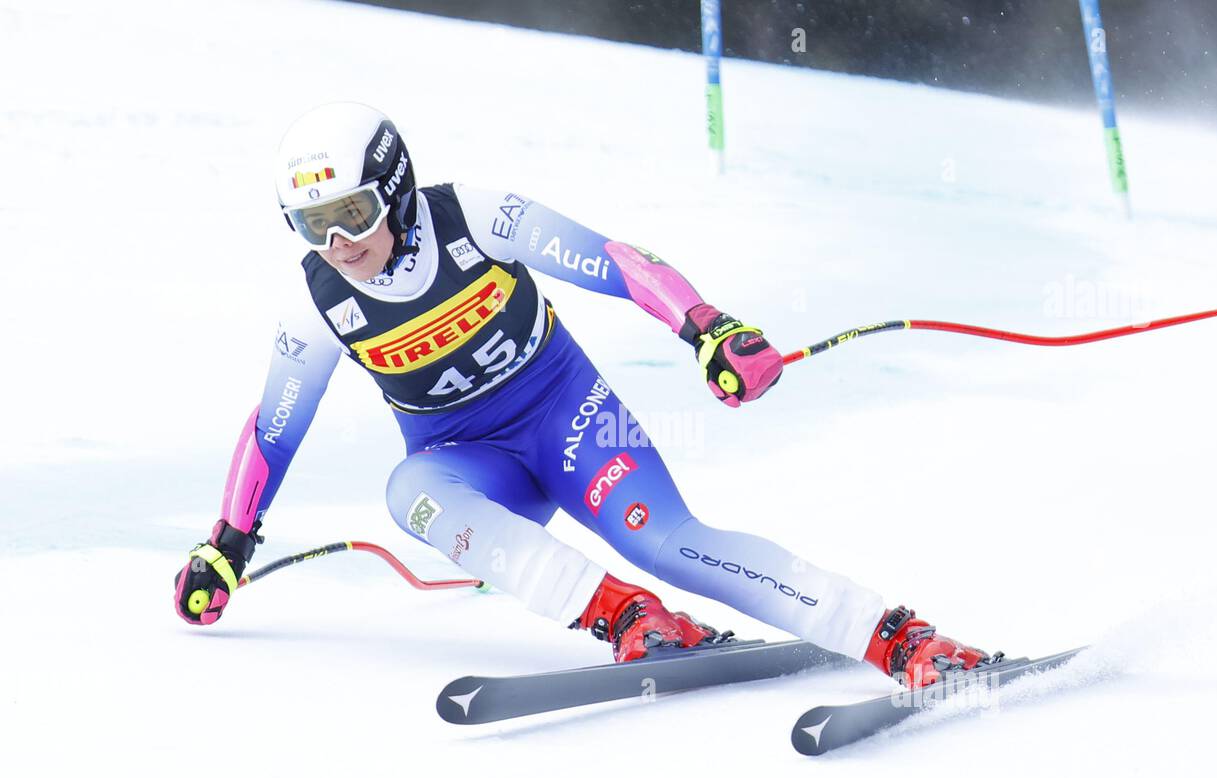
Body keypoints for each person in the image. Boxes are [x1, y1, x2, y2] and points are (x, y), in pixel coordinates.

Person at [173, 102, 989, 688]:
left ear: (394, 187)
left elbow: (615, 260)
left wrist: (705, 326)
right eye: (312, 224)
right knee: (407, 493)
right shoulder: (317, 304)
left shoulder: (475, 218)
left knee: (666, 542)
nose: (338, 243)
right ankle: (626, 615)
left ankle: (894, 637)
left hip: (568, 422)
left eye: (351, 213)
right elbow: (274, 428)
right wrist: (228, 544)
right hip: (469, 467)